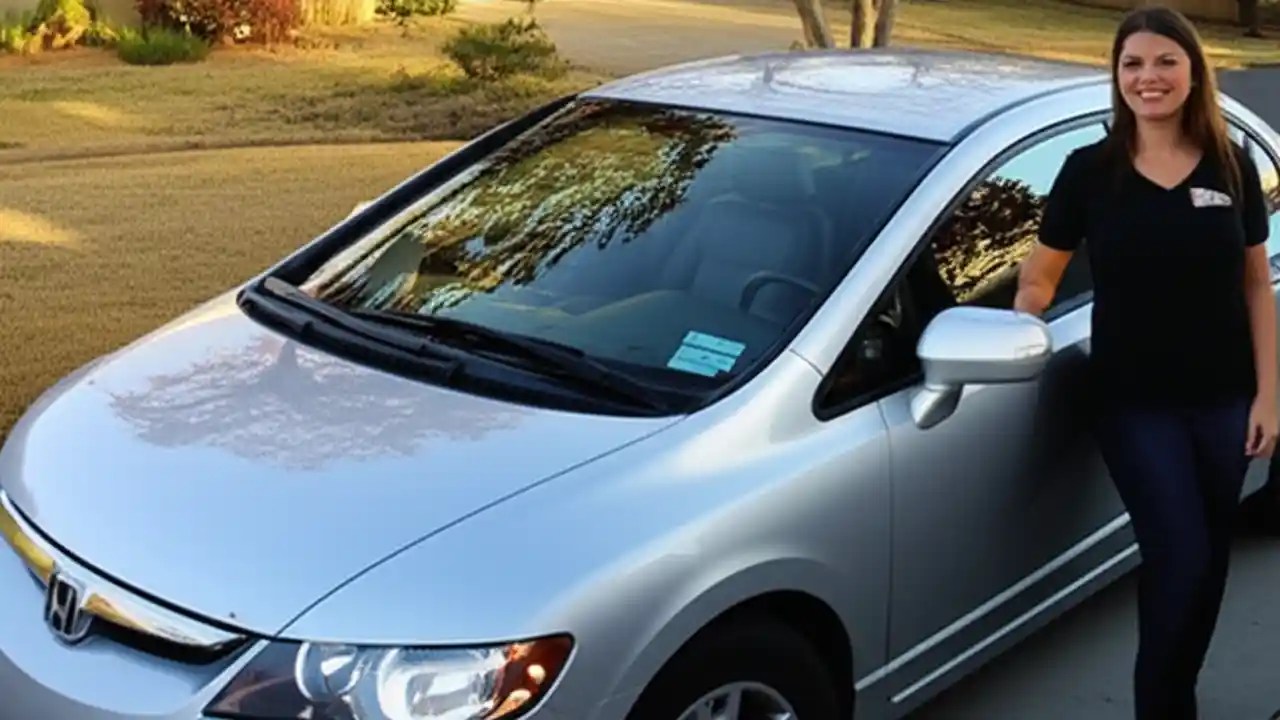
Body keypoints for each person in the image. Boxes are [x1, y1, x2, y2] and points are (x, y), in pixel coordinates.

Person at [1013, 5, 1278, 720]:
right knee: (1180, 553)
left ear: (1193, 73)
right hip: (1134, 402)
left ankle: (1174, 690)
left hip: (1226, 398)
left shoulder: (1231, 165)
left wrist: (1270, 396)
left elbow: (1257, 285)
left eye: (1165, 61)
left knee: (1209, 557)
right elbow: (1040, 277)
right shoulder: (1088, 172)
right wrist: (1018, 326)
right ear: (1117, 76)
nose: (1148, 77)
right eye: (1132, 64)